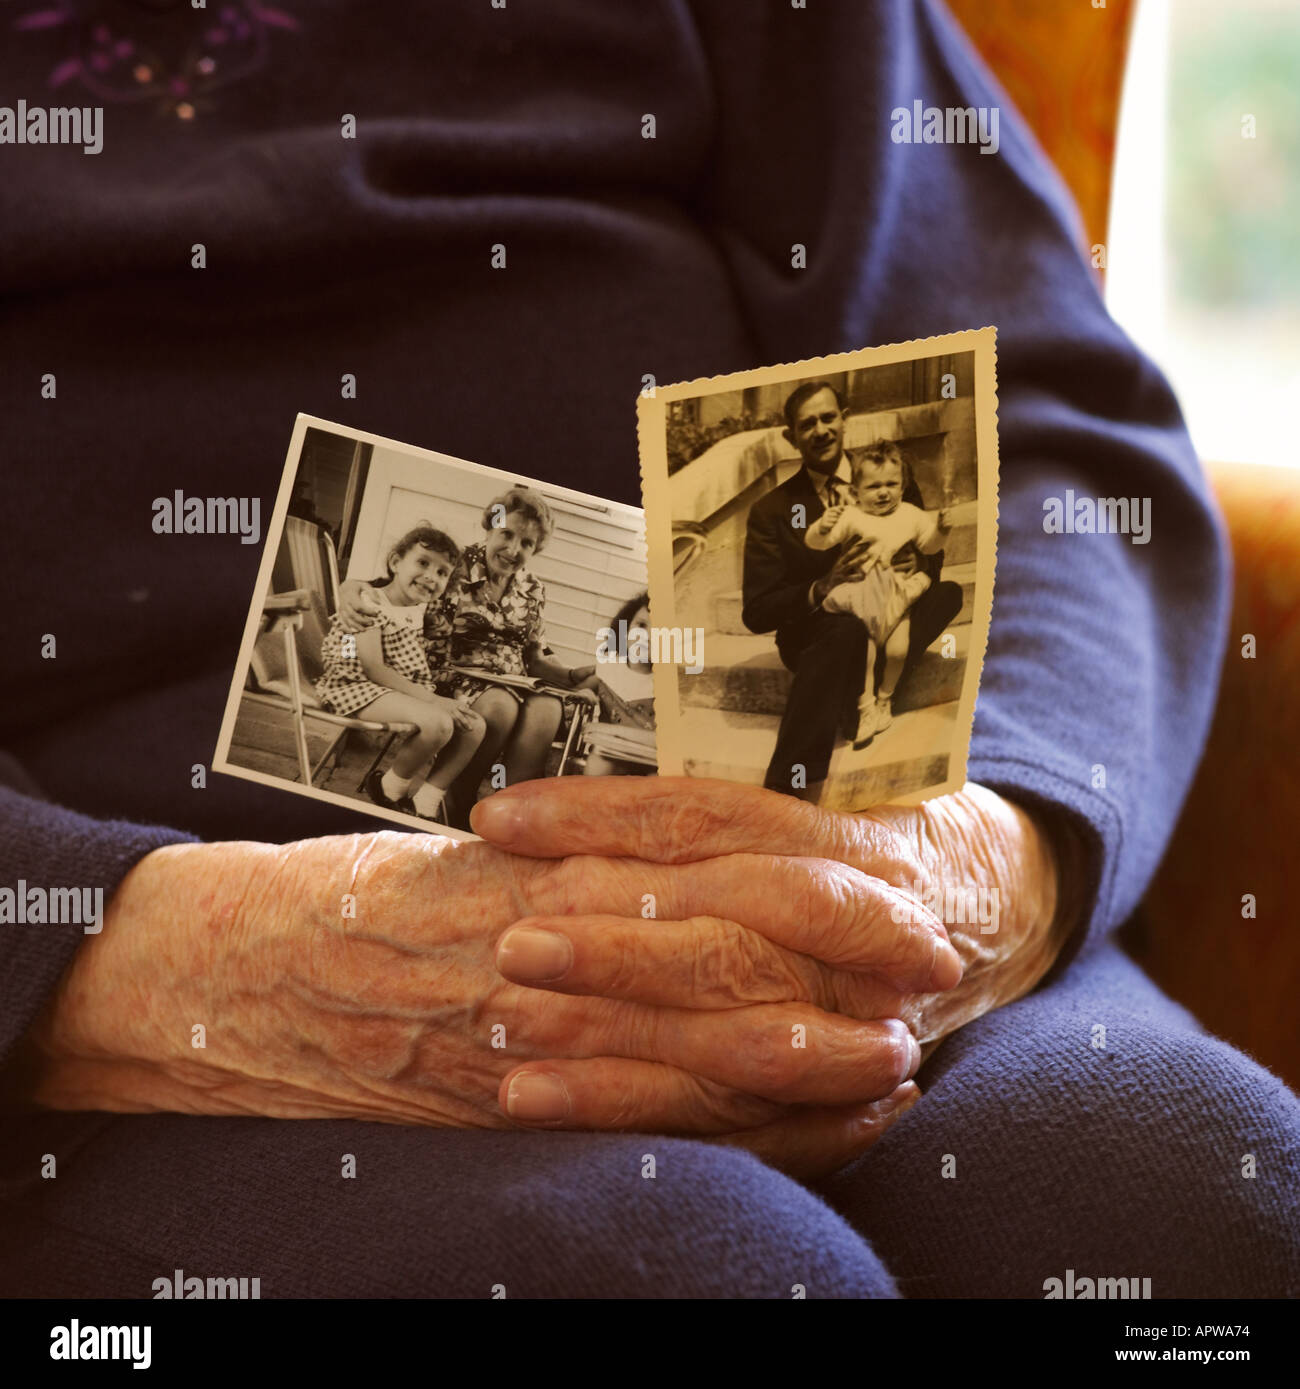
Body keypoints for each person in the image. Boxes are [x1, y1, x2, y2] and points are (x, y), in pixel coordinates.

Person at [2, 0, 1297, 1300]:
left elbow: (1045, 416)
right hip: (122, 959)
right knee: (685, 1273)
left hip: (818, 830)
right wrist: (151, 963)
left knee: (1188, 1200)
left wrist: (981, 850)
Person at [743, 382, 963, 792]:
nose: (821, 430)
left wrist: (920, 560)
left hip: (889, 606)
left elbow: (926, 540)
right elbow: (757, 611)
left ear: (845, 419)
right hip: (822, 629)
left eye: (829, 418)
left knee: (947, 593)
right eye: (807, 424)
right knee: (845, 628)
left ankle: (867, 691)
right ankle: (791, 784)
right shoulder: (771, 510)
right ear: (792, 437)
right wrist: (819, 588)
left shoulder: (887, 475)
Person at [338, 486, 599, 828]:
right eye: (507, 534)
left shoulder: (532, 589)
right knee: (501, 706)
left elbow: (534, 657)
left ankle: (508, 809)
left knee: (548, 708)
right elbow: (391, 587)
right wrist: (349, 588)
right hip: (447, 674)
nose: (513, 549)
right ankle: (459, 795)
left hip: (514, 679)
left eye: (527, 543)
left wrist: (574, 675)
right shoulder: (452, 566)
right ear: (491, 526)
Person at [314, 523, 486, 820]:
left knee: (475, 726)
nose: (431, 576)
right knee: (439, 724)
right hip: (353, 684)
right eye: (422, 563)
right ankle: (389, 788)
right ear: (395, 562)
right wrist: (434, 701)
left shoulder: (418, 609)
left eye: (442, 572)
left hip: (391, 688)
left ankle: (426, 803)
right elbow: (373, 668)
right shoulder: (371, 601)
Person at [805, 441, 953, 747]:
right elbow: (818, 544)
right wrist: (821, 527)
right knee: (866, 654)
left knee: (898, 651)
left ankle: (886, 698)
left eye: (891, 484)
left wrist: (941, 530)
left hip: (898, 597)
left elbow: (928, 546)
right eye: (873, 486)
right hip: (863, 597)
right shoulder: (852, 515)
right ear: (856, 490)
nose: (883, 492)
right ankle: (866, 707)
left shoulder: (910, 514)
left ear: (903, 486)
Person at [582, 592, 657, 776]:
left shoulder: (669, 684)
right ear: (625, 628)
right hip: (610, 752)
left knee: (660, 783)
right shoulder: (610, 668)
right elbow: (580, 690)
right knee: (598, 764)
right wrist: (585, 692)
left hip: (652, 759)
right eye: (641, 625)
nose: (646, 636)